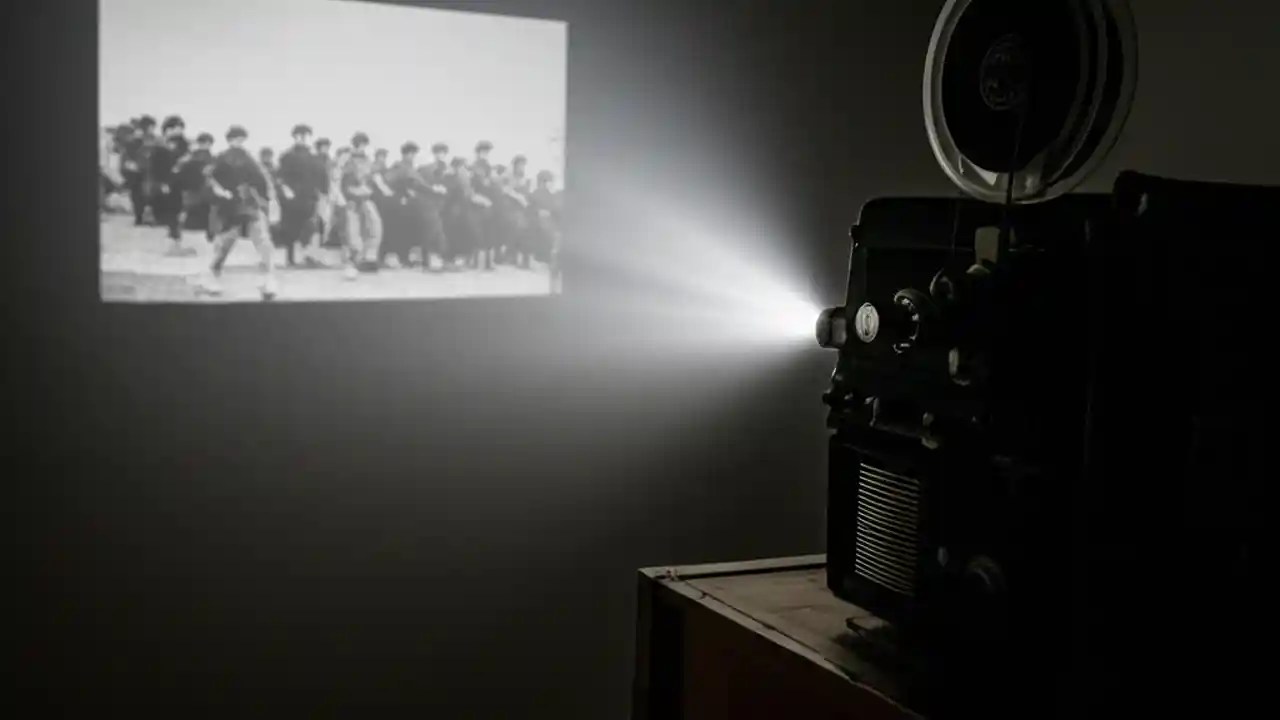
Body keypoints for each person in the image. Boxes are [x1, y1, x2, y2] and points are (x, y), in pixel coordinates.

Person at [200, 125, 278, 300]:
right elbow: (209, 179)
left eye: (241, 139)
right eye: (236, 139)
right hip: (228, 208)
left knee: (264, 243)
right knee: (224, 247)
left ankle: (268, 280)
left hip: (250, 206)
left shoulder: (249, 158)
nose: (239, 142)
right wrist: (218, 191)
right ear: (229, 140)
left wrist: (268, 200)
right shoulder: (221, 158)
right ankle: (212, 276)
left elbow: (261, 179)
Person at [277, 124, 329, 268]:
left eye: (305, 136)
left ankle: (310, 256)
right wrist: (286, 190)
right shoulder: (287, 156)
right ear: (295, 138)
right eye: (299, 136)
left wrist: (324, 193)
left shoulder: (314, 158)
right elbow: (280, 177)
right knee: (290, 228)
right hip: (292, 199)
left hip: (309, 198)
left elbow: (322, 177)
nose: (302, 139)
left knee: (312, 227)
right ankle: (290, 258)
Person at [340, 133, 383, 279]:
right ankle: (356, 258)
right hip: (352, 198)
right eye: (359, 144)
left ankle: (369, 257)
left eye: (364, 144)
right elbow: (342, 181)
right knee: (353, 229)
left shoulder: (368, 161)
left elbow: (373, 178)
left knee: (374, 224)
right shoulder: (347, 160)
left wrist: (374, 188)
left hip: (366, 197)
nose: (361, 147)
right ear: (354, 145)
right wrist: (349, 194)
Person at [418, 142, 453, 269]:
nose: (440, 155)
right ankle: (430, 259)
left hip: (445, 205)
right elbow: (420, 184)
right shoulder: (427, 169)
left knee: (440, 231)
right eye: (438, 153)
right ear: (434, 154)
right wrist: (434, 189)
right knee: (433, 231)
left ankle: (436, 259)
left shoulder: (449, 169)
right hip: (431, 204)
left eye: (442, 153)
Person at [121, 115, 160, 226]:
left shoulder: (137, 140)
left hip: (140, 171)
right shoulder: (147, 140)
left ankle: (140, 217)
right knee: (142, 195)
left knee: (138, 195)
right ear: (149, 127)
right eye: (152, 127)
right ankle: (142, 217)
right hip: (143, 172)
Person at [176, 132, 216, 239]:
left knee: (186, 208)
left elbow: (178, 168)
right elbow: (210, 173)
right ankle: (210, 233)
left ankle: (177, 230)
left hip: (189, 188)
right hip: (203, 188)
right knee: (209, 209)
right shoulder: (209, 157)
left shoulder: (189, 156)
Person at [529, 169, 563, 293]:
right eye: (549, 181)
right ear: (544, 182)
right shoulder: (539, 194)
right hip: (540, 223)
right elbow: (535, 210)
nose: (551, 184)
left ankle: (548, 261)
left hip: (547, 222)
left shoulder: (548, 194)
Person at [370, 147, 401, 266]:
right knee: (380, 229)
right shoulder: (376, 168)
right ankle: (380, 257)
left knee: (383, 229)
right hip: (379, 202)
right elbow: (381, 184)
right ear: (377, 157)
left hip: (383, 203)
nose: (383, 158)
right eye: (381, 156)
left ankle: (381, 257)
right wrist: (390, 193)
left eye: (384, 156)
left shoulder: (384, 169)